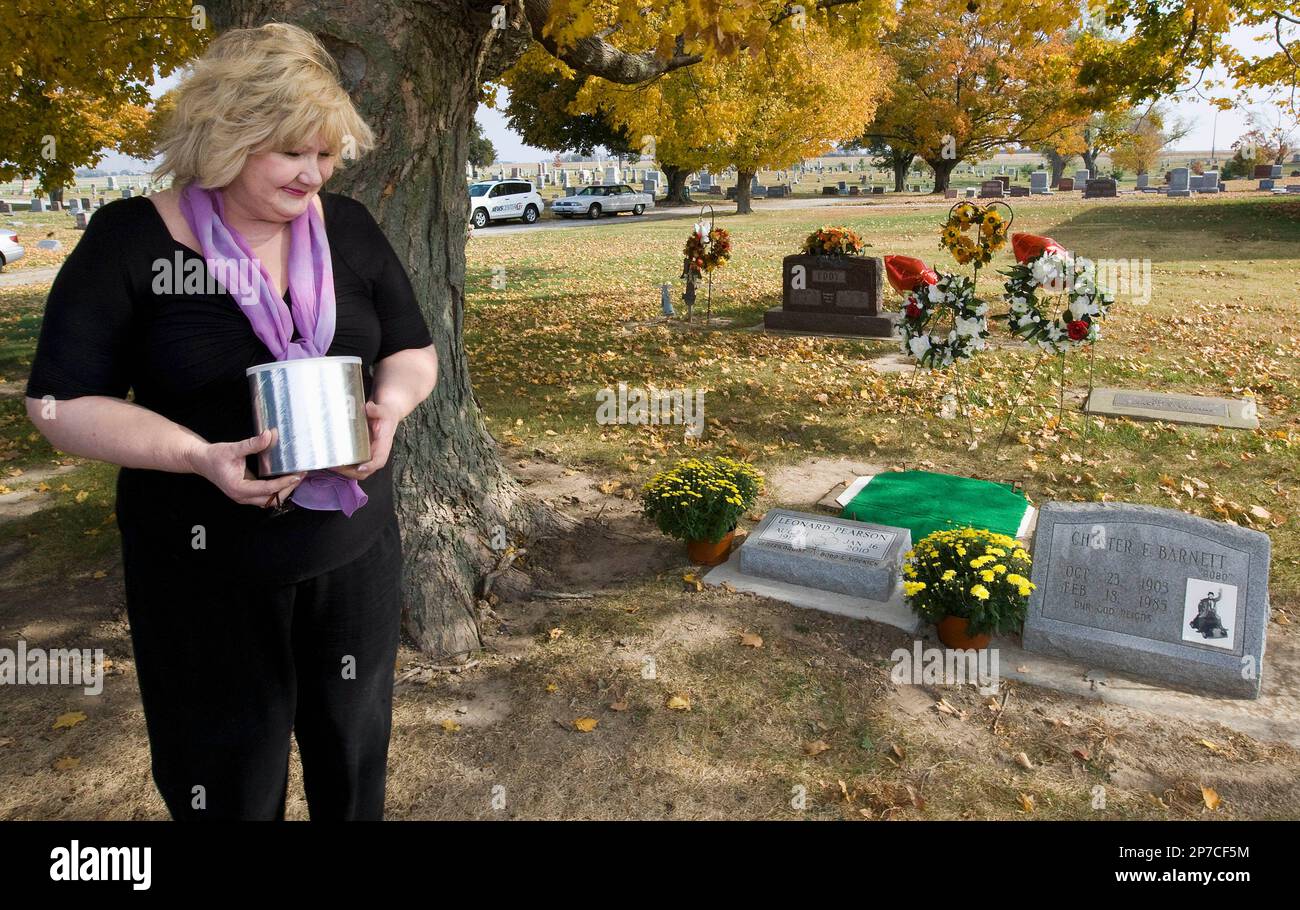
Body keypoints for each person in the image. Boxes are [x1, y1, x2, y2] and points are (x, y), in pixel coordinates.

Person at [23, 22, 439, 820]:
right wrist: (196, 455)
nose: (314, 173)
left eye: (326, 153)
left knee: (354, 769)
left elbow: (413, 350)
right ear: (225, 140)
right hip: (202, 574)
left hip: (350, 554)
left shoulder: (347, 226)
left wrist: (390, 408)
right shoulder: (130, 241)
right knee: (227, 787)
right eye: (291, 153)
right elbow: (57, 406)